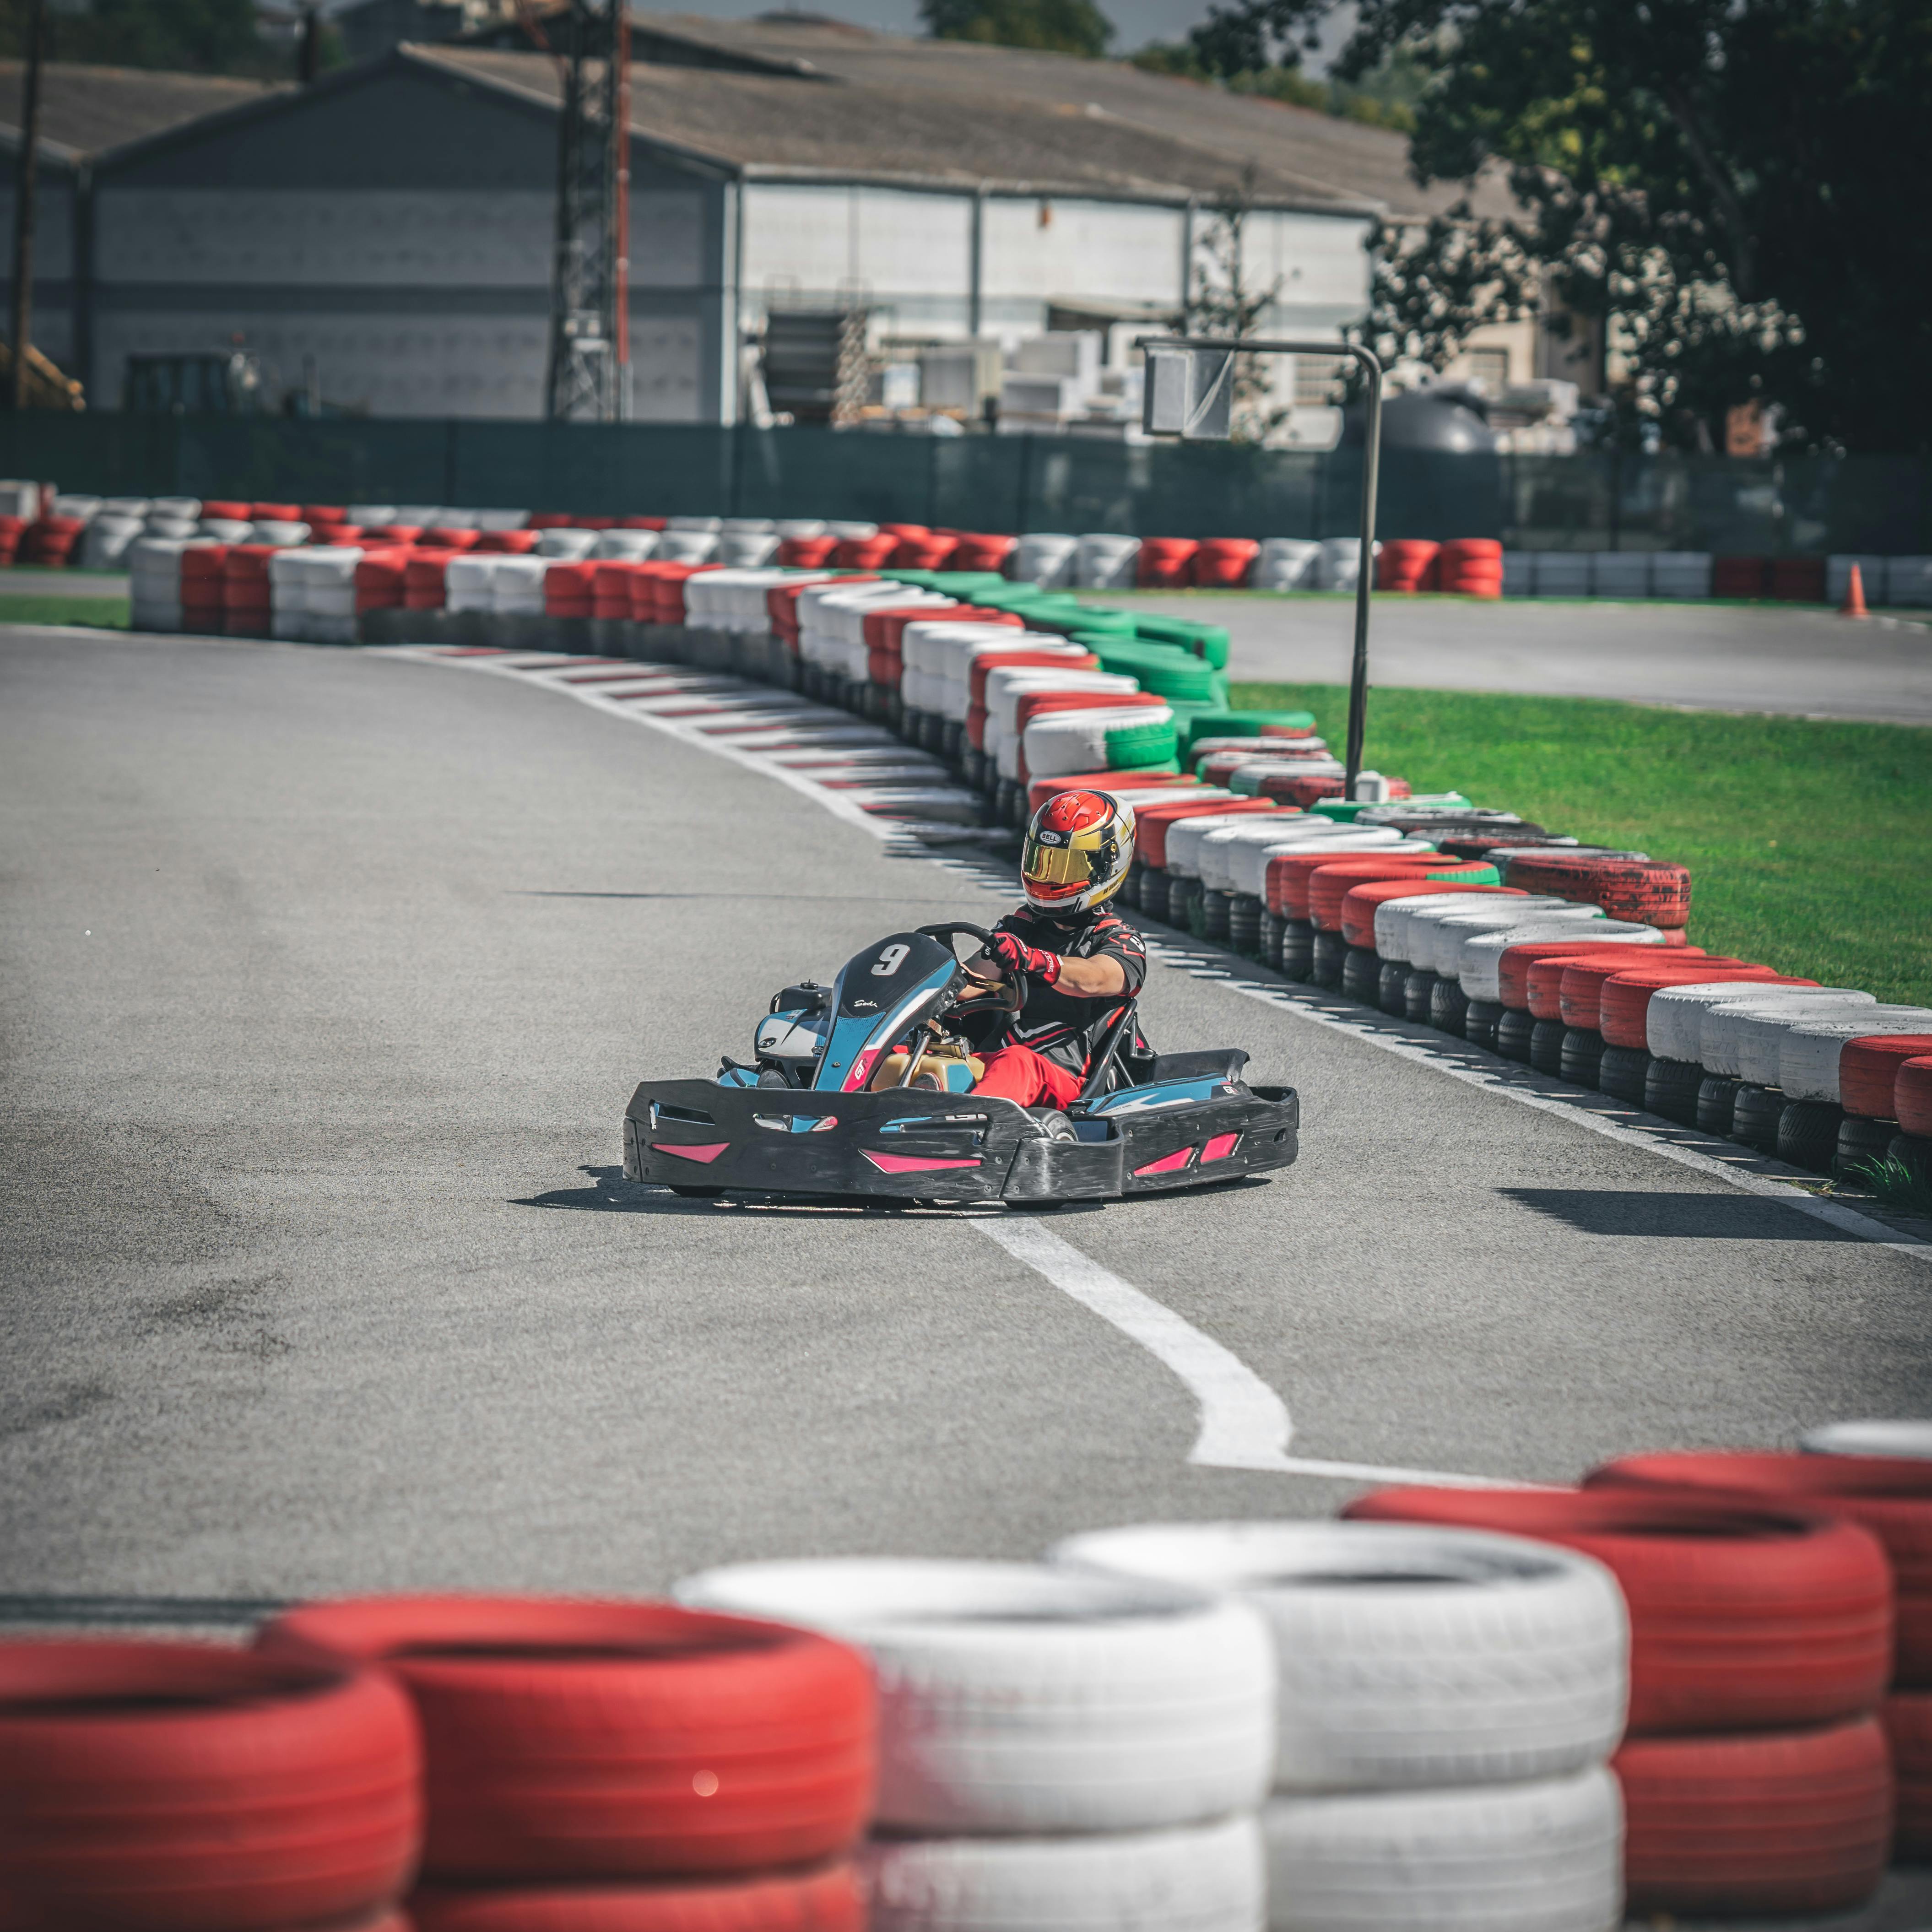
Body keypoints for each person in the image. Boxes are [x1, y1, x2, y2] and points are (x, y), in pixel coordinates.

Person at [960, 789, 1149, 1112]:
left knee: (1015, 1062)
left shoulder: (1119, 939)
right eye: (1044, 862)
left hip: (1067, 1072)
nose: (1049, 877)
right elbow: (968, 984)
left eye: (1066, 866)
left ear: (1105, 866)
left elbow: (1096, 977)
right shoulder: (1023, 928)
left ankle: (962, 1124)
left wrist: (1036, 960)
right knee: (921, 1052)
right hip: (1001, 1055)